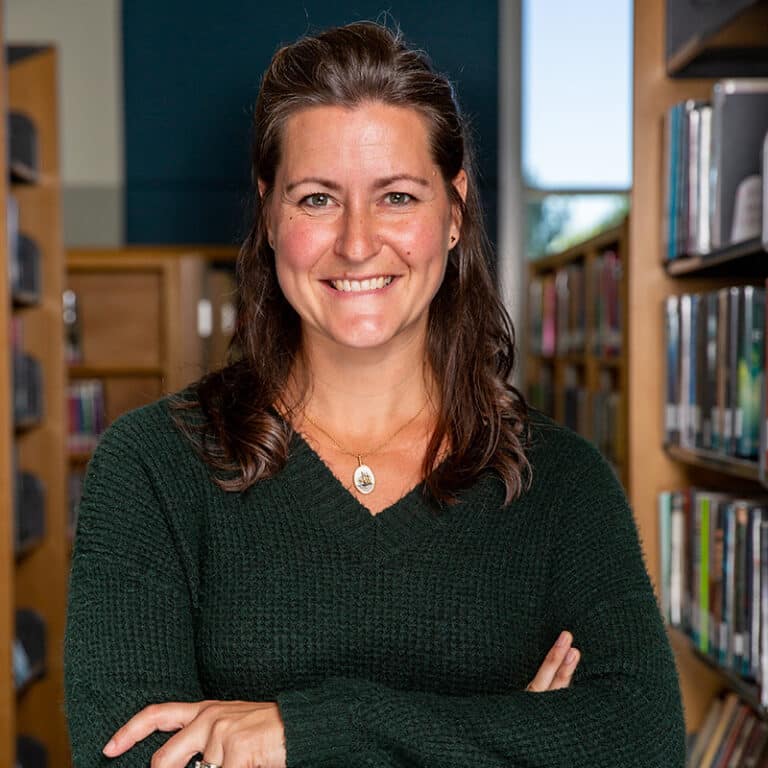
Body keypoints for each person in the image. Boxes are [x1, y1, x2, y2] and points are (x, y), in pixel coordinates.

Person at [63, 20, 686, 768]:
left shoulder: (563, 483)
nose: (358, 244)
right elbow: (128, 758)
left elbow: (642, 740)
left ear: (453, 212)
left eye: (395, 196)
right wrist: (509, 735)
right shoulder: (151, 469)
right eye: (318, 200)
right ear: (268, 214)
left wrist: (307, 731)